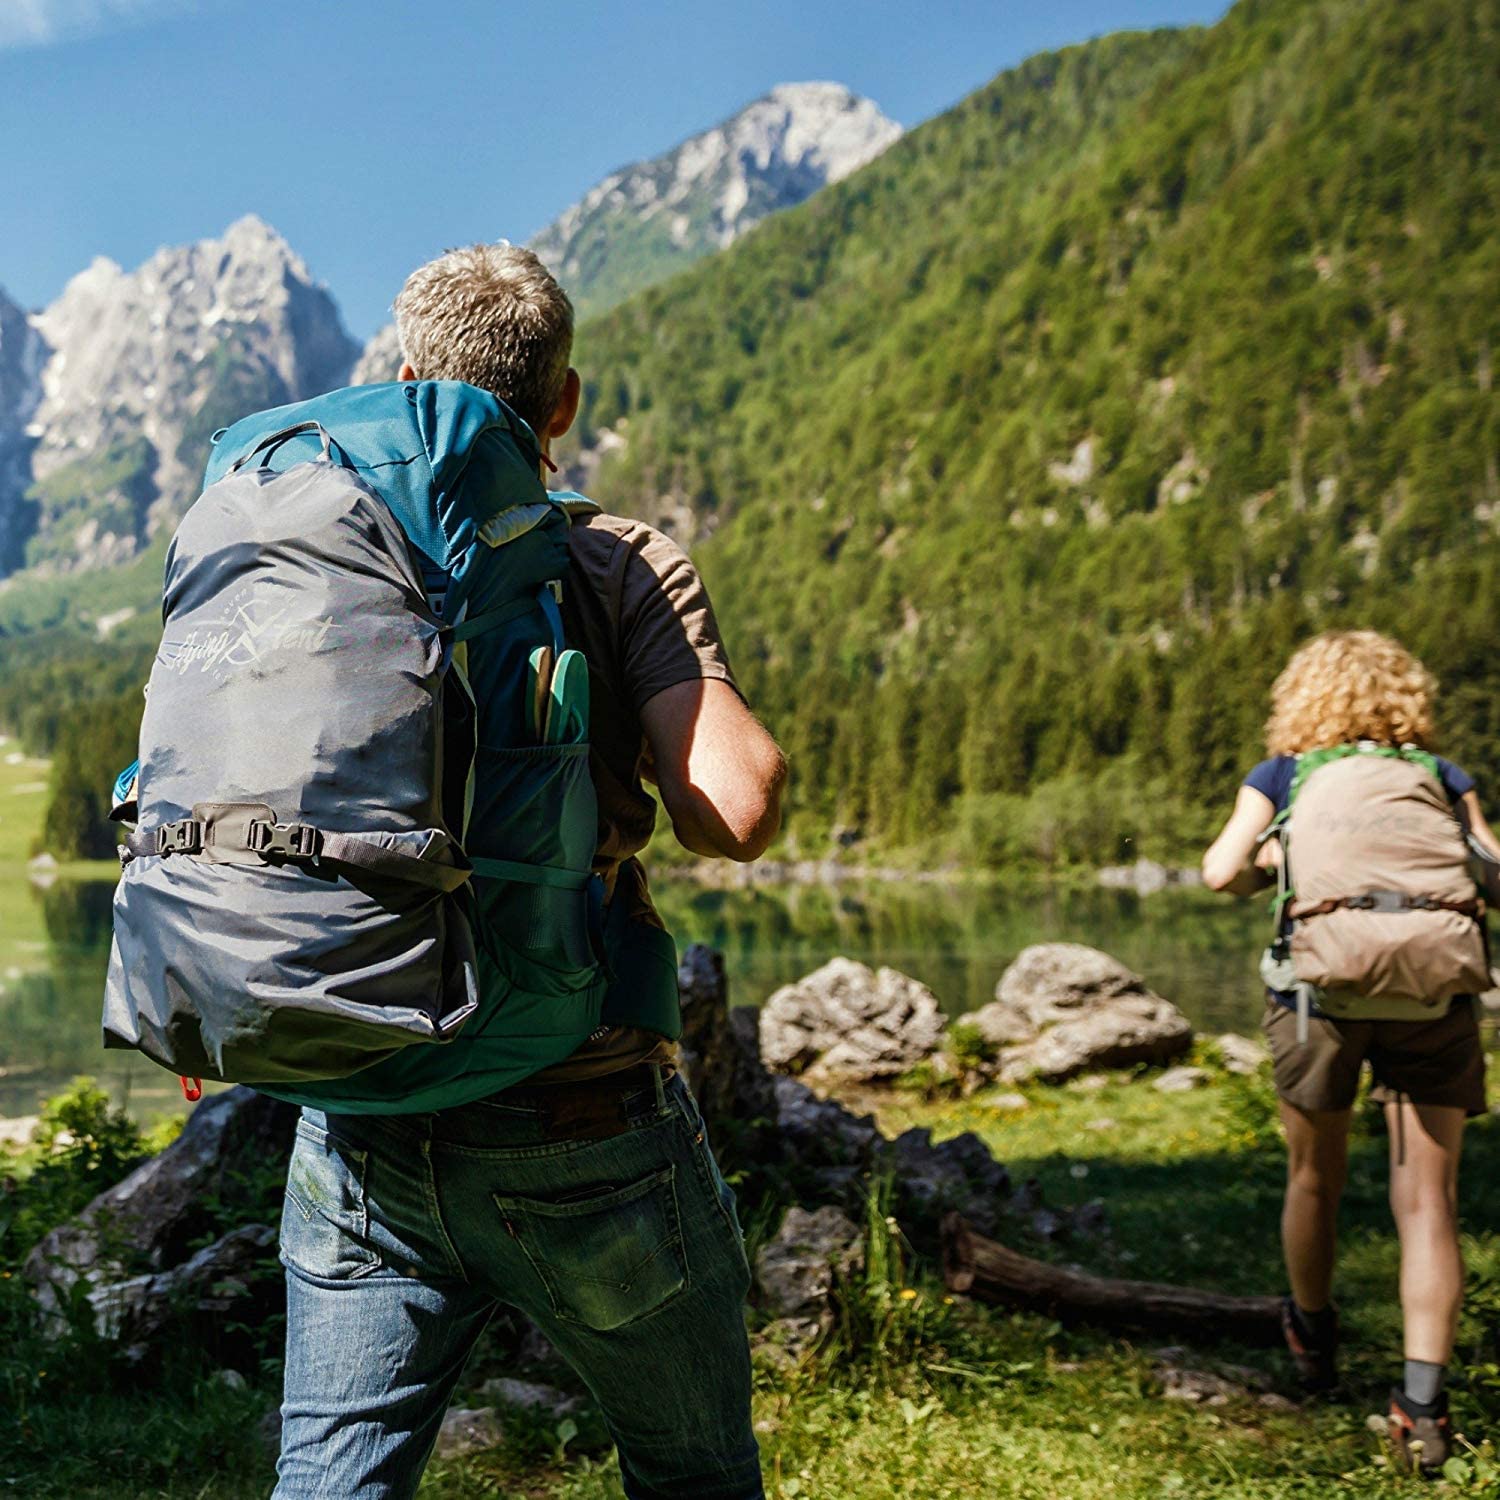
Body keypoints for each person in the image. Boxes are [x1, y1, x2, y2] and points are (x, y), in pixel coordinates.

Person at [272, 244, 786, 1500]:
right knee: (691, 1472)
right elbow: (735, 810)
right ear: (561, 405)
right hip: (582, 1112)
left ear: (402, 383)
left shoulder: (316, 567)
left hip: (362, 1113)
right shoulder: (613, 561)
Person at [1202, 629, 1497, 1474]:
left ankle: (1313, 1343)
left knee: (1313, 1178)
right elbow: (1493, 871)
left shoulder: (1286, 775)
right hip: (1435, 993)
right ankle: (1423, 1409)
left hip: (1317, 997)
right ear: (1408, 696)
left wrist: (1269, 864)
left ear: (1301, 698)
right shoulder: (1439, 776)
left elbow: (1221, 873)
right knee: (1427, 1202)